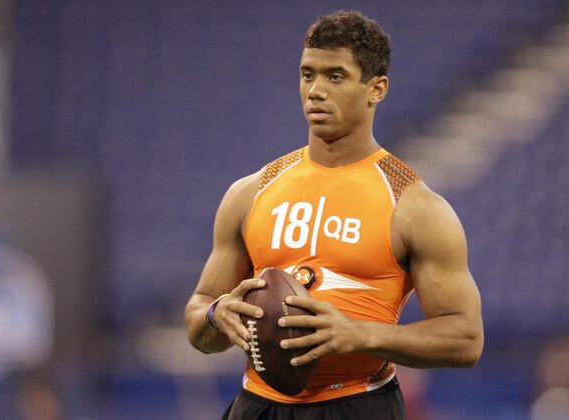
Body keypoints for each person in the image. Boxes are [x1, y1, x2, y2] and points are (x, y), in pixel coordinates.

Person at [185, 10, 483, 419]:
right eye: (307, 75)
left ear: (376, 89)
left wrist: (361, 334)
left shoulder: (414, 207)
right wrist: (217, 314)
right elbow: (200, 323)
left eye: (335, 76)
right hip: (256, 405)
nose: (315, 91)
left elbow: (466, 340)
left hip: (358, 403)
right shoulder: (250, 192)